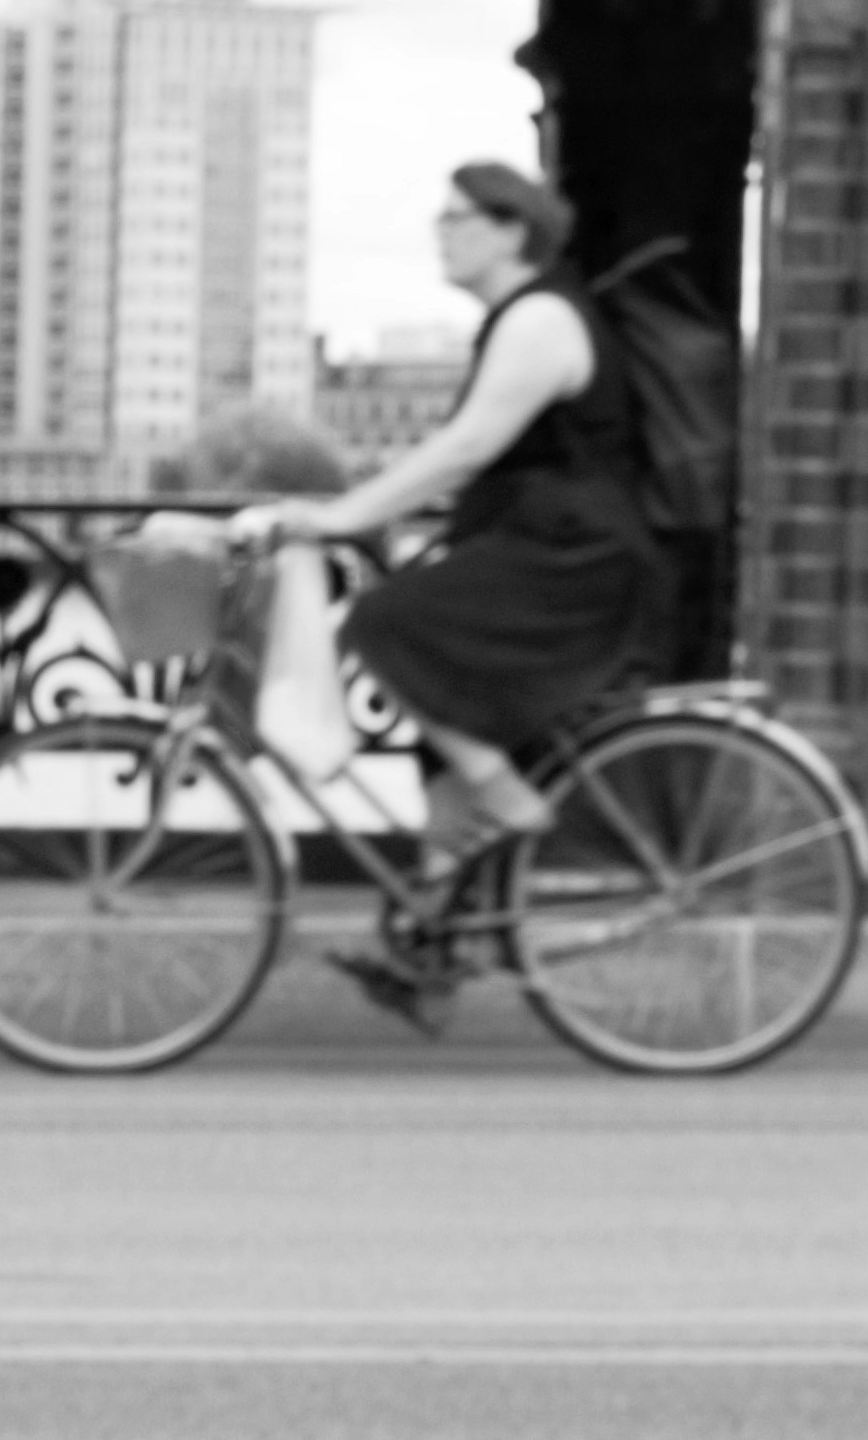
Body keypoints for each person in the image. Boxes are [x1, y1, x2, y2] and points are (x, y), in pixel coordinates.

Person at [245, 162, 673, 1003]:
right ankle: (434, 939)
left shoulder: (542, 319)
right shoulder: (519, 317)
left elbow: (467, 448)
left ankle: (508, 799)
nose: (439, 232)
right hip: (540, 547)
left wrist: (342, 516)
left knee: (384, 624)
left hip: (573, 559)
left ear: (512, 230)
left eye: (457, 217)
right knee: (437, 729)